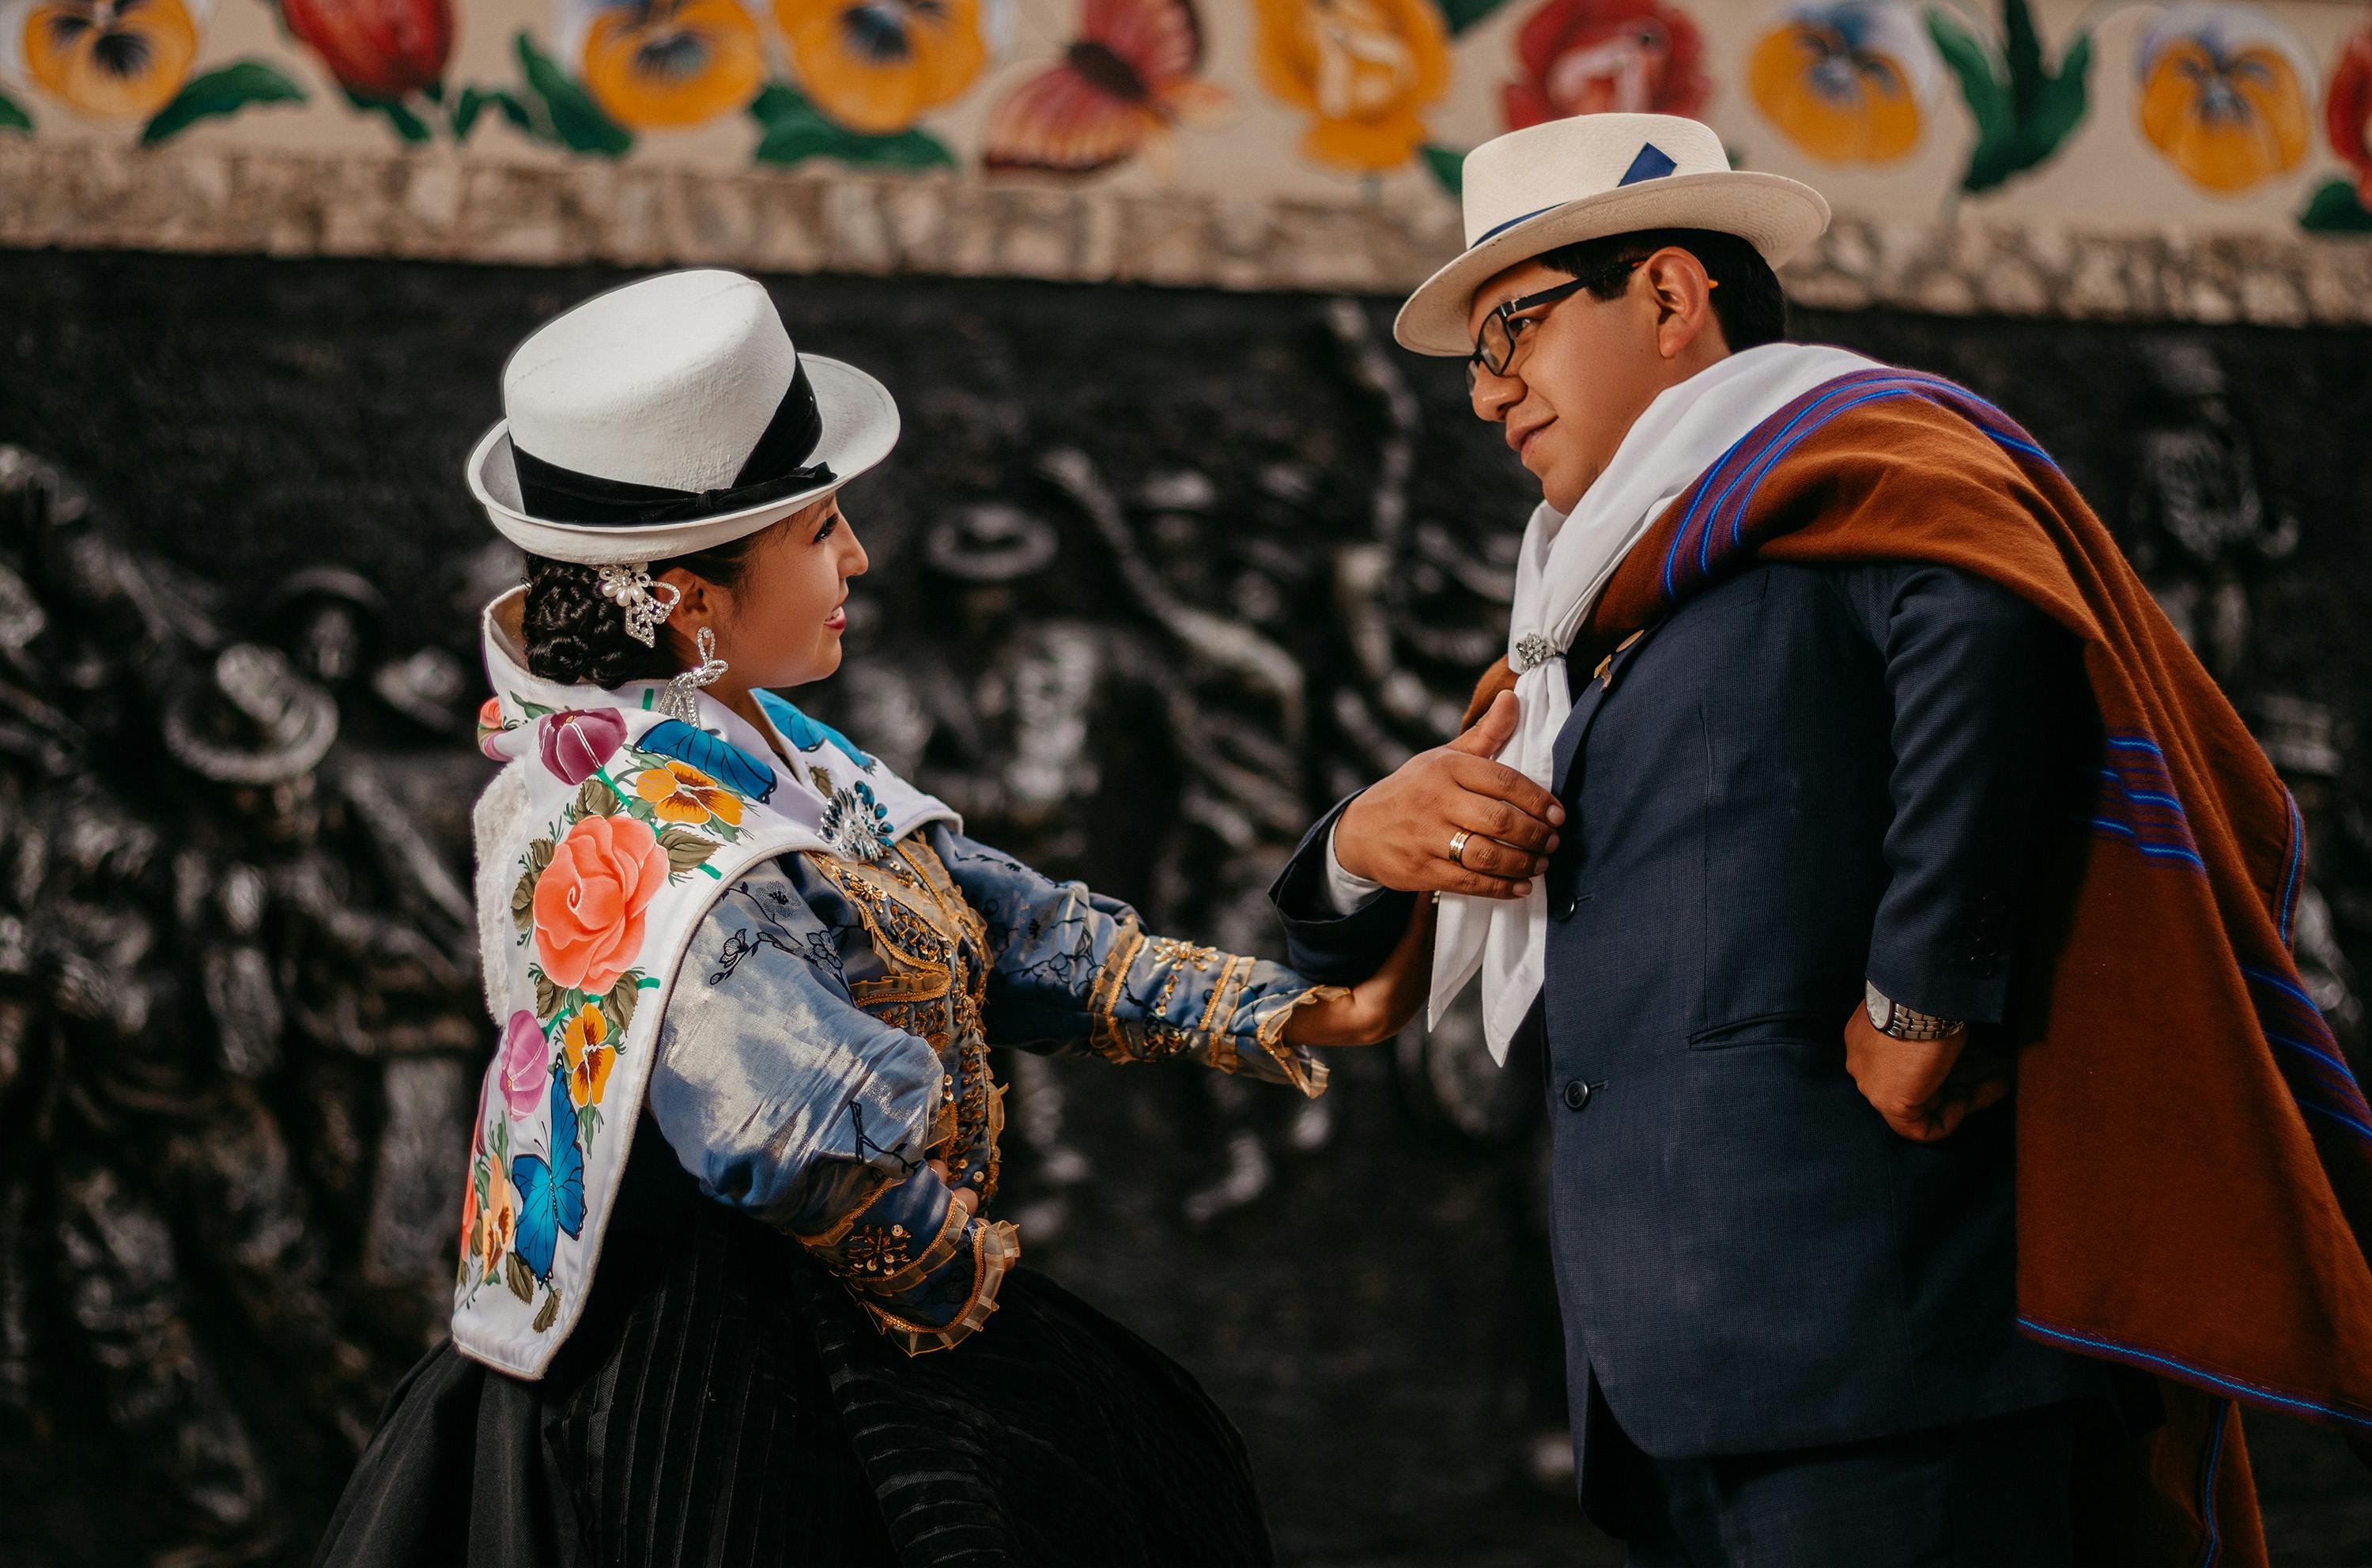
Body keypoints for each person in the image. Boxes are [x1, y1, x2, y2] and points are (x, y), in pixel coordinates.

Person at [1268, 112, 2372, 1566]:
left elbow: (1993, 635)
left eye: (1513, 332)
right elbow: (1370, 939)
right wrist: (1360, 841)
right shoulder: (1595, 609)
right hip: (1690, 1372)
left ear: (1668, 297)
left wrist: (1926, 995)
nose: (1489, 396)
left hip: (1888, 1348)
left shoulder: (1873, 472)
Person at [315, 269, 1430, 1568]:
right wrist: (959, 1287)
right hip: (704, 1387)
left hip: (829, 1323)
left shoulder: (762, 741)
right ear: (689, 605)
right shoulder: (623, 824)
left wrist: (1277, 1006)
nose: (859, 556)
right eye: (819, 530)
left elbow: (994, 917)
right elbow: (782, 1137)